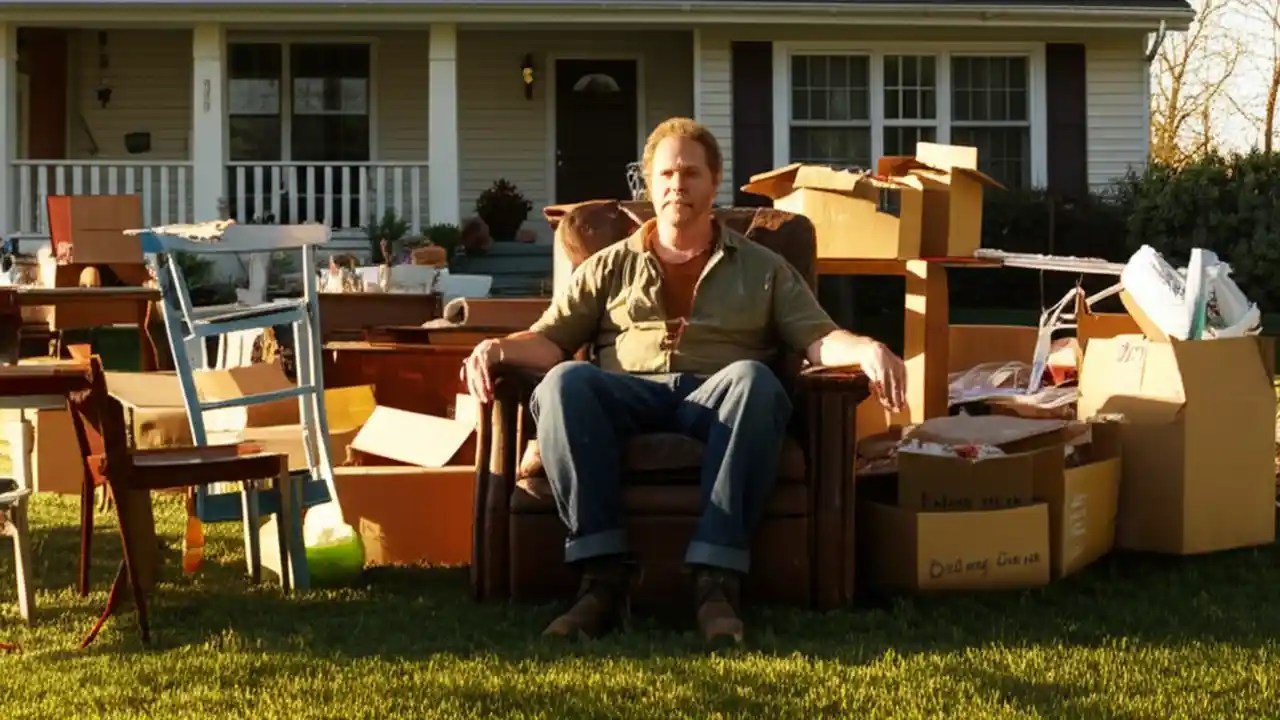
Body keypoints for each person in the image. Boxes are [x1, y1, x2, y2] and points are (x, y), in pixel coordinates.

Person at [461, 117, 906, 644]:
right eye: (667, 173)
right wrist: (497, 347)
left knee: (755, 380)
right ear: (649, 183)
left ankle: (715, 582)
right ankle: (602, 579)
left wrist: (868, 348)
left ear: (714, 182)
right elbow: (550, 338)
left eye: (691, 173)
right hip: (626, 391)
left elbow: (818, 338)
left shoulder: (763, 267)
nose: (678, 185)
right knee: (564, 382)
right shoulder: (607, 266)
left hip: (717, 395)